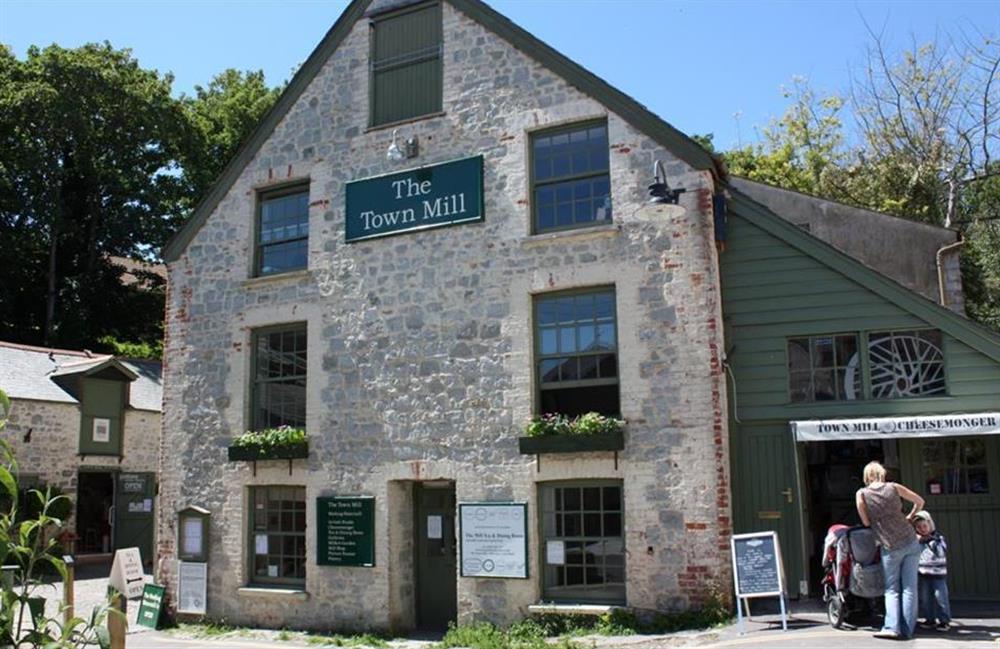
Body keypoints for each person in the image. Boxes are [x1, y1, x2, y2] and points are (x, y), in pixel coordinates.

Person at [855, 461, 925, 640]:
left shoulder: (862, 494)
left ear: (866, 476)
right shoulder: (894, 487)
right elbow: (920, 501)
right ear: (881, 473)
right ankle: (908, 629)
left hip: (889, 544)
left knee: (892, 588)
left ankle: (892, 627)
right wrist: (909, 516)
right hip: (910, 540)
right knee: (910, 587)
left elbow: (865, 522)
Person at [913, 510, 951, 630]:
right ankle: (930, 619)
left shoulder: (938, 539)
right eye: (919, 527)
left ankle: (944, 620)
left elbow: (942, 550)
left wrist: (931, 540)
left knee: (941, 597)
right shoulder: (917, 541)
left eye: (925, 526)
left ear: (930, 525)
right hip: (923, 573)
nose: (922, 529)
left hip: (938, 574)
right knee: (925, 598)